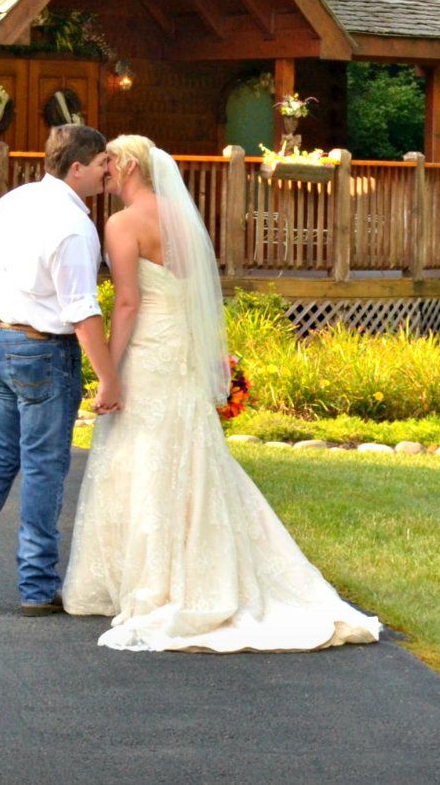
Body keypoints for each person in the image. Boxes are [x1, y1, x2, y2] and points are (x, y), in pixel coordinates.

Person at [64, 134, 381, 652]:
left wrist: (109, 373)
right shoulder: (184, 220)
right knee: (189, 456)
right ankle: (197, 571)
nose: (105, 174)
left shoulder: (122, 224)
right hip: (182, 356)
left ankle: (145, 580)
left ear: (126, 167)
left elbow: (126, 303)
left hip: (147, 352)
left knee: (142, 457)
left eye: (109, 164)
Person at [0, 122, 119, 615]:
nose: (109, 172)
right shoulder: (76, 227)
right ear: (77, 168)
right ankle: (37, 586)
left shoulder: (13, 201)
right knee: (43, 466)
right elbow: (82, 310)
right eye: (103, 163)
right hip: (41, 350)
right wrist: (108, 376)